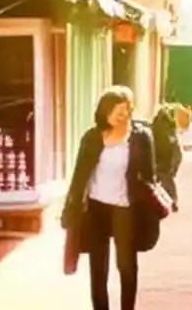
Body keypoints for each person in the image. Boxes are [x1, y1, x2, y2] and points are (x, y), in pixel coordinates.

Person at [61, 86, 161, 310]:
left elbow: (149, 176)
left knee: (126, 265)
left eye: (127, 111)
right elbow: (79, 175)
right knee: (98, 268)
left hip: (125, 208)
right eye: (118, 112)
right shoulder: (92, 138)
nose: (123, 116)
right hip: (96, 208)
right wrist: (71, 207)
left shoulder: (140, 138)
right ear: (105, 113)